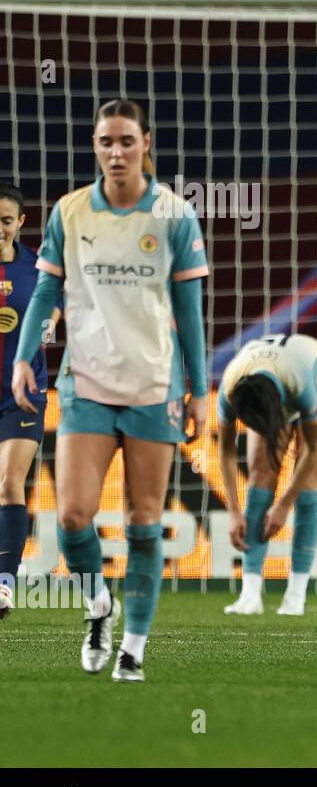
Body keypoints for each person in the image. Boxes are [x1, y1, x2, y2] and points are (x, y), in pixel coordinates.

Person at [11, 99, 208, 682]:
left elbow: (189, 310)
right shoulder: (70, 212)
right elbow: (45, 291)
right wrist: (25, 356)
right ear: (95, 147)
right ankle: (99, 606)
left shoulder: (174, 215)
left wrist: (199, 388)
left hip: (153, 384)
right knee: (73, 516)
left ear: (146, 142)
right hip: (86, 381)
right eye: (105, 142)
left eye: (125, 141)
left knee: (145, 522)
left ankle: (135, 648)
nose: (115, 152)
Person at [218, 334, 317, 617]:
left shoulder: (302, 387)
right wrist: (233, 510)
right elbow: (226, 449)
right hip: (270, 380)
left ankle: (295, 597)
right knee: (260, 475)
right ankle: (250, 595)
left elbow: (313, 449)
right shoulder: (230, 387)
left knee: (309, 486)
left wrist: (284, 504)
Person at [0, 182, 60, 621]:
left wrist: (44, 327)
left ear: (20, 223)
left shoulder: (39, 268)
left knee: (8, 483)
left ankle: (4, 581)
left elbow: (56, 310)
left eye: (5, 221)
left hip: (21, 396)